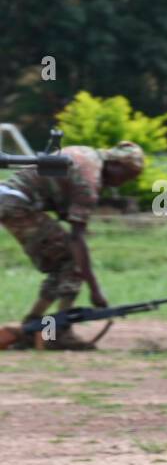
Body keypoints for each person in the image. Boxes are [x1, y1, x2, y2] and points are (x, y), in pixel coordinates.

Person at [0, 140, 143, 349]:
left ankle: (33, 326)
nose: (123, 182)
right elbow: (77, 238)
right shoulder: (90, 180)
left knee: (61, 265)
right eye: (127, 175)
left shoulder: (87, 153)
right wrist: (95, 290)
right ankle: (57, 331)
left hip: (11, 201)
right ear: (116, 164)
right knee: (73, 261)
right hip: (18, 204)